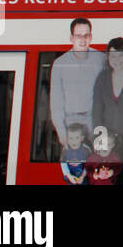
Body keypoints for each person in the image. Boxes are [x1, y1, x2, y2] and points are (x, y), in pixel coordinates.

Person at [49, 18, 106, 149]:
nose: (82, 39)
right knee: (73, 165)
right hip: (70, 122)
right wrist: (62, 133)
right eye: (78, 36)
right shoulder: (60, 64)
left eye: (86, 35)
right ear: (71, 38)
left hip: (94, 119)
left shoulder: (101, 59)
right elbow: (56, 103)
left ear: (91, 37)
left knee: (97, 163)